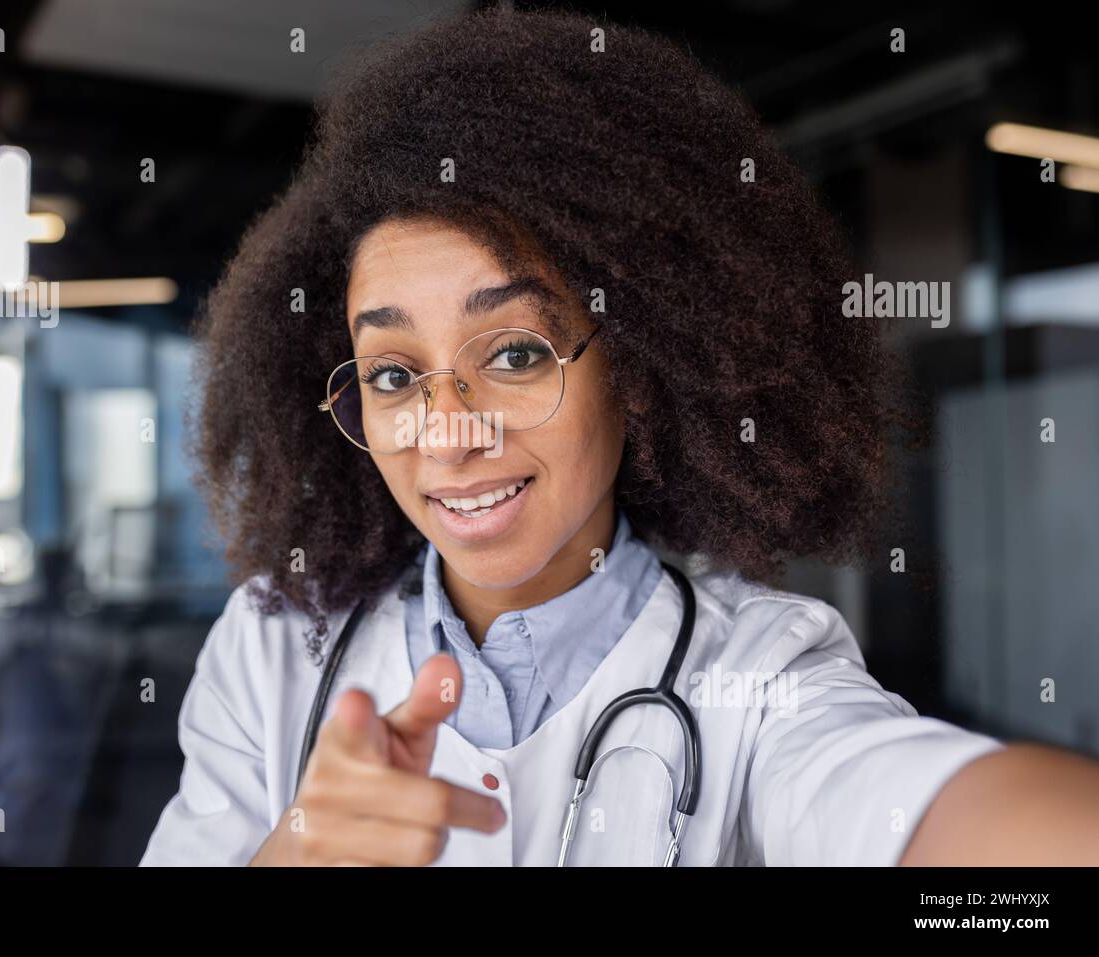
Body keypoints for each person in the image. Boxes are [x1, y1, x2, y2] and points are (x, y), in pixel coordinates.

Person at [140, 8, 1099, 866]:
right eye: (393, 374)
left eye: (515, 352)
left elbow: (945, 816)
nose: (449, 432)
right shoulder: (273, 647)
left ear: (636, 367)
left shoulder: (757, 674)